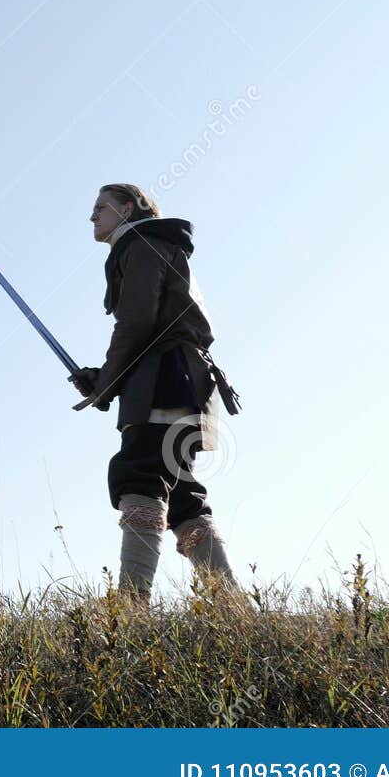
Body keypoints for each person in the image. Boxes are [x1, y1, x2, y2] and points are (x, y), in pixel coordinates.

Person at [66, 183, 242, 602]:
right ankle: (233, 608)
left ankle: (131, 608)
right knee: (181, 495)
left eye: (101, 207)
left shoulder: (141, 244)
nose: (92, 216)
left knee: (141, 474)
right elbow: (152, 329)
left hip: (166, 378)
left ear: (127, 209)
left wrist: (106, 384)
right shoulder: (153, 245)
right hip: (182, 379)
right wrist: (104, 378)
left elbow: (137, 324)